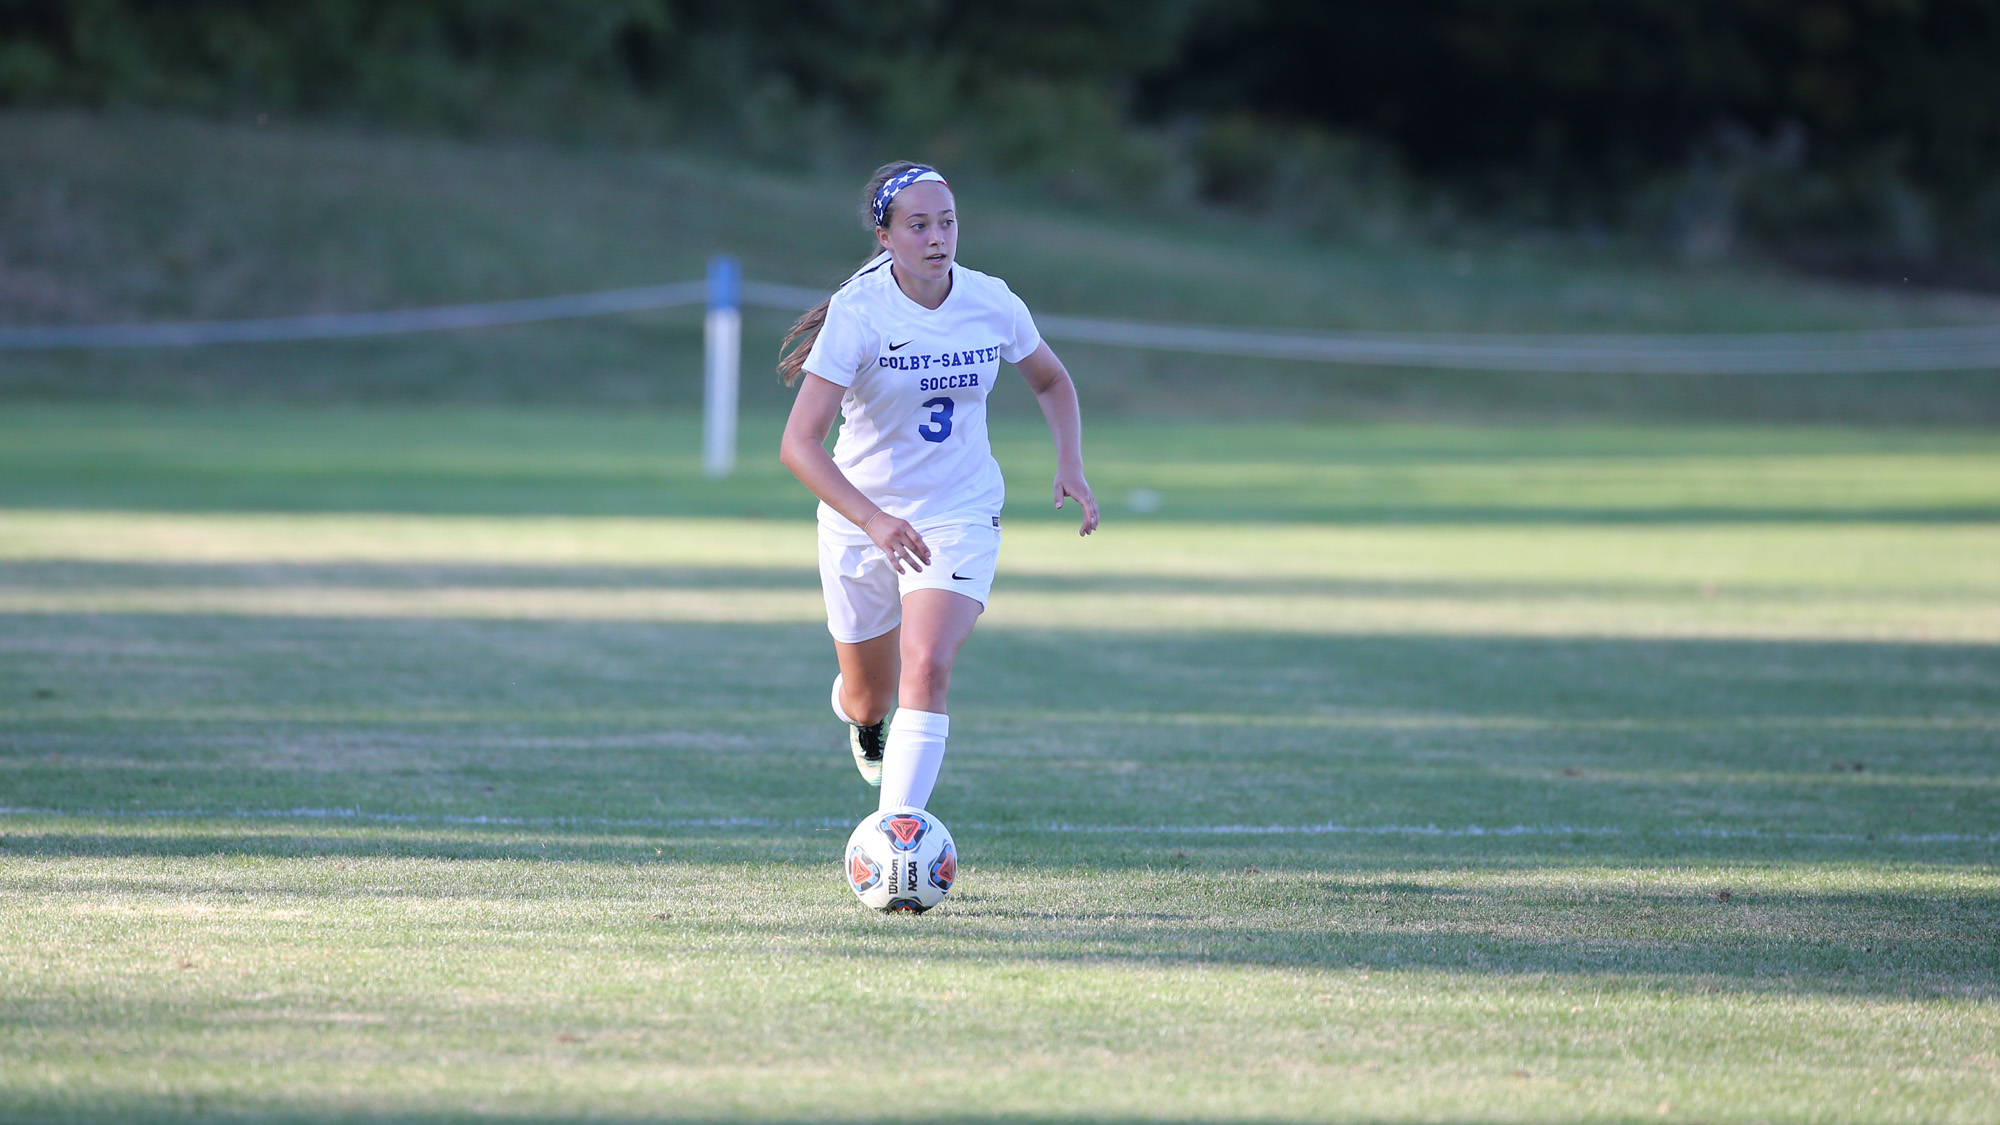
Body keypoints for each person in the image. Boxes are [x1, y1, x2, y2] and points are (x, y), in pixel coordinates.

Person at [778, 160, 1099, 813]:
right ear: (885, 236)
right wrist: (873, 521)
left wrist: (1070, 461)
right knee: (871, 695)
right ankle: (857, 710)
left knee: (925, 663)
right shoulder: (859, 312)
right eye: (918, 225)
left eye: (947, 222)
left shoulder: (991, 300)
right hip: (859, 514)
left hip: (958, 508)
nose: (936, 237)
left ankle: (899, 833)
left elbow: (1051, 380)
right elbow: (797, 444)